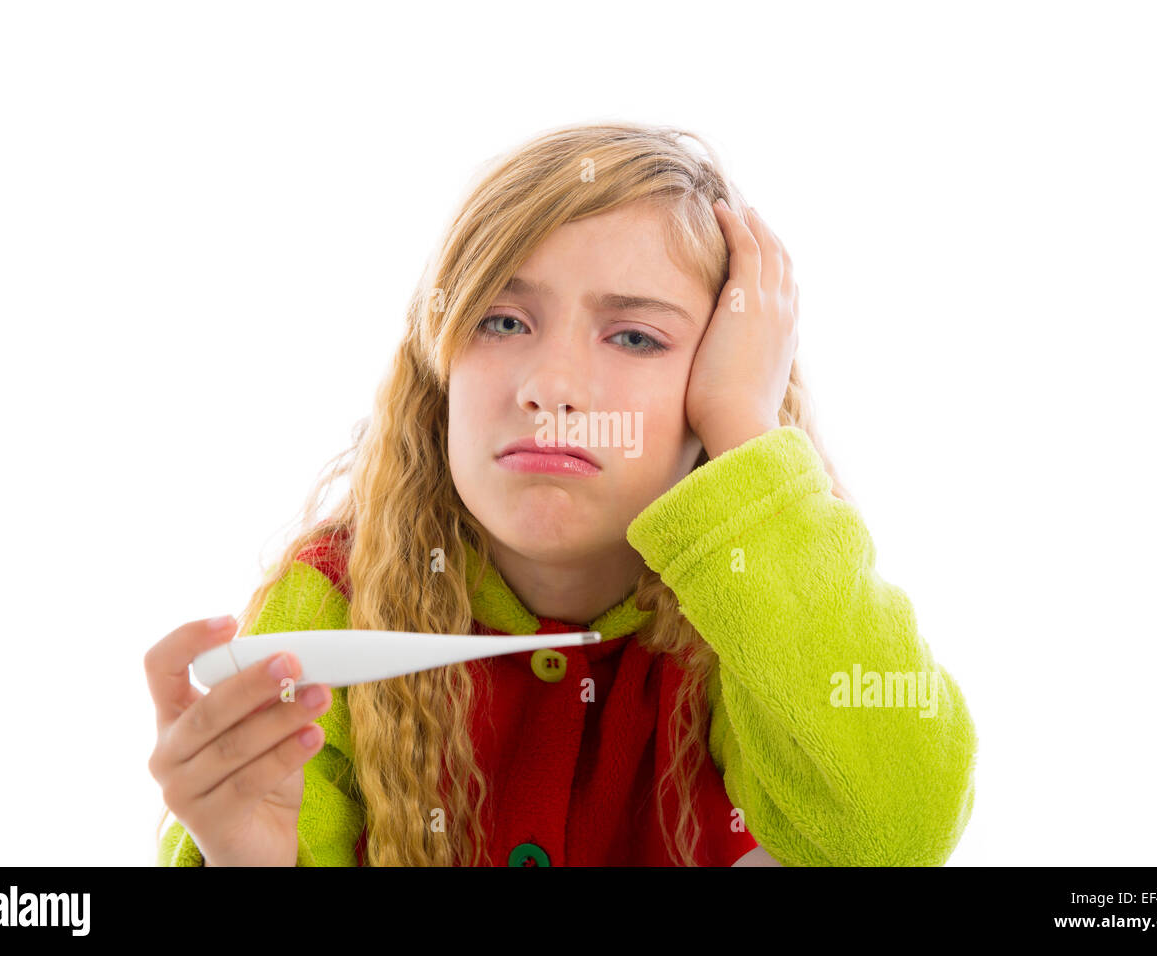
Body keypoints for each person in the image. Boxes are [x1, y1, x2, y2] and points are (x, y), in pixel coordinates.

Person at [145, 121, 978, 866]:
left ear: (728, 375)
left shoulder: (762, 606)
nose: (551, 387)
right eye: (503, 322)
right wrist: (245, 861)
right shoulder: (331, 602)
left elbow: (892, 834)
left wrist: (742, 429)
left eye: (635, 336)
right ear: (440, 370)